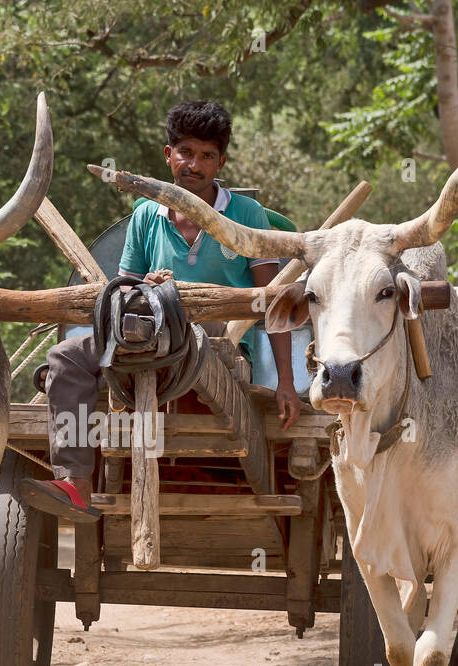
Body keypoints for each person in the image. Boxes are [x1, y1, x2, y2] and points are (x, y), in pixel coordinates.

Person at [21, 100, 300, 522]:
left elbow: (275, 303)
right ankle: (74, 484)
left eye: (207, 156)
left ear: (221, 162)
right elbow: (123, 289)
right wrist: (144, 286)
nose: (195, 164)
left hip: (217, 346)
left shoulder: (247, 214)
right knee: (64, 358)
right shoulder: (146, 215)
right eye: (185, 152)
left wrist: (286, 383)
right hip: (148, 333)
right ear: (168, 155)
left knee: (198, 335)